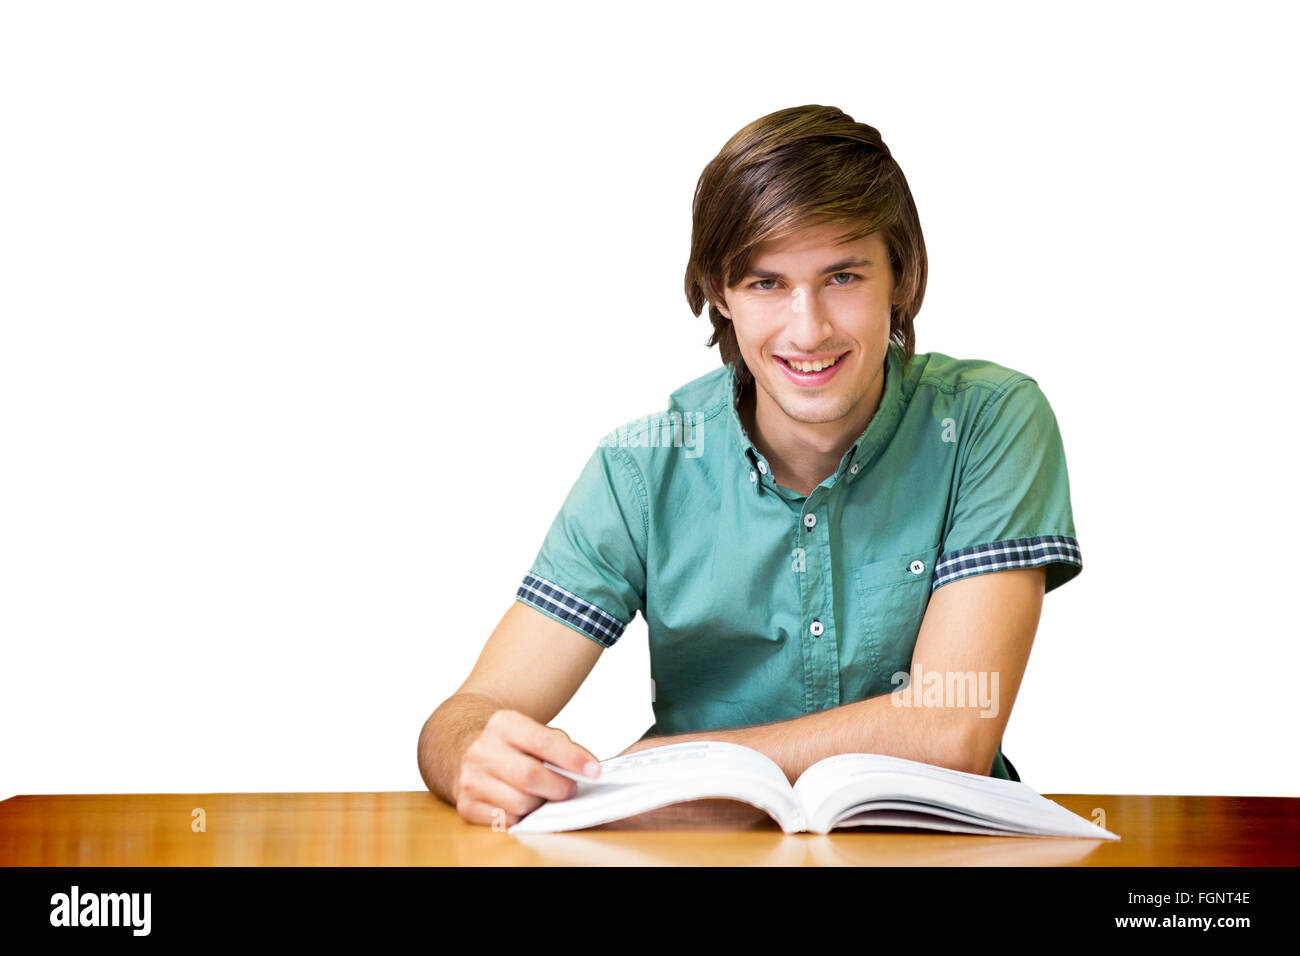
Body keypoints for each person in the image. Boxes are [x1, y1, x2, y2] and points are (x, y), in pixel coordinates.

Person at [417, 104, 1082, 827]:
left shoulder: (990, 421)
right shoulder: (641, 469)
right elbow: (466, 716)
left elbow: (953, 727)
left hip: (937, 853)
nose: (809, 328)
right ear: (720, 293)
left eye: (843, 277)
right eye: (766, 283)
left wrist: (661, 764)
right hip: (703, 852)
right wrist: (474, 758)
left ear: (902, 275)